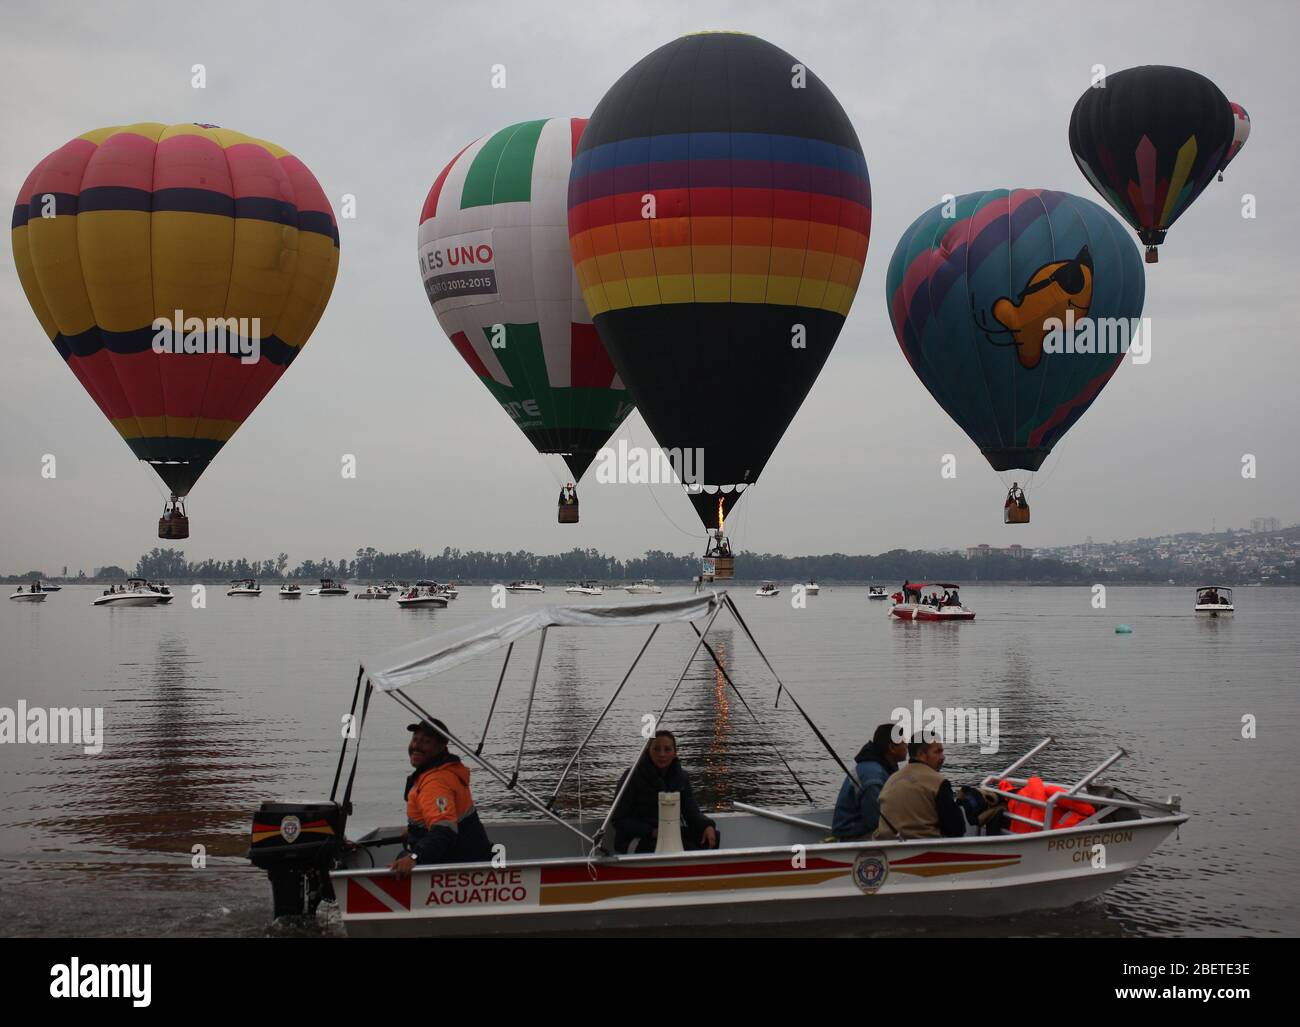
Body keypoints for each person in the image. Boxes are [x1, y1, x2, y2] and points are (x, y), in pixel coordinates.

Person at [388, 719, 493, 878]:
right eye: (415, 739)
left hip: (460, 869)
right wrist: (415, 831)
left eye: (426, 742)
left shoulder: (436, 782)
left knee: (403, 858)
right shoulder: (444, 771)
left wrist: (414, 857)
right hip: (473, 856)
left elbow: (445, 830)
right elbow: (445, 816)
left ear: (441, 747)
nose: (416, 746)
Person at [611, 730, 718, 853]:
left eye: (667, 749)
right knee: (684, 850)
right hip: (635, 838)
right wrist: (651, 831)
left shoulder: (681, 777)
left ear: (675, 753)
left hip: (668, 834)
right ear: (648, 751)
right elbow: (618, 819)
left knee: (709, 840)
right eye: (656, 749)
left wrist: (707, 826)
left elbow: (691, 811)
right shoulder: (632, 777)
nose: (662, 754)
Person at [872, 733, 967, 840]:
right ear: (921, 754)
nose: (943, 757)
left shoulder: (891, 780)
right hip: (926, 849)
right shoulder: (938, 782)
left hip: (886, 847)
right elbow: (957, 829)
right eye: (938, 752)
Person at [831, 723, 908, 839]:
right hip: (853, 835)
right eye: (903, 741)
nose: (906, 745)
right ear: (892, 748)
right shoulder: (873, 777)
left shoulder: (883, 767)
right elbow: (875, 820)